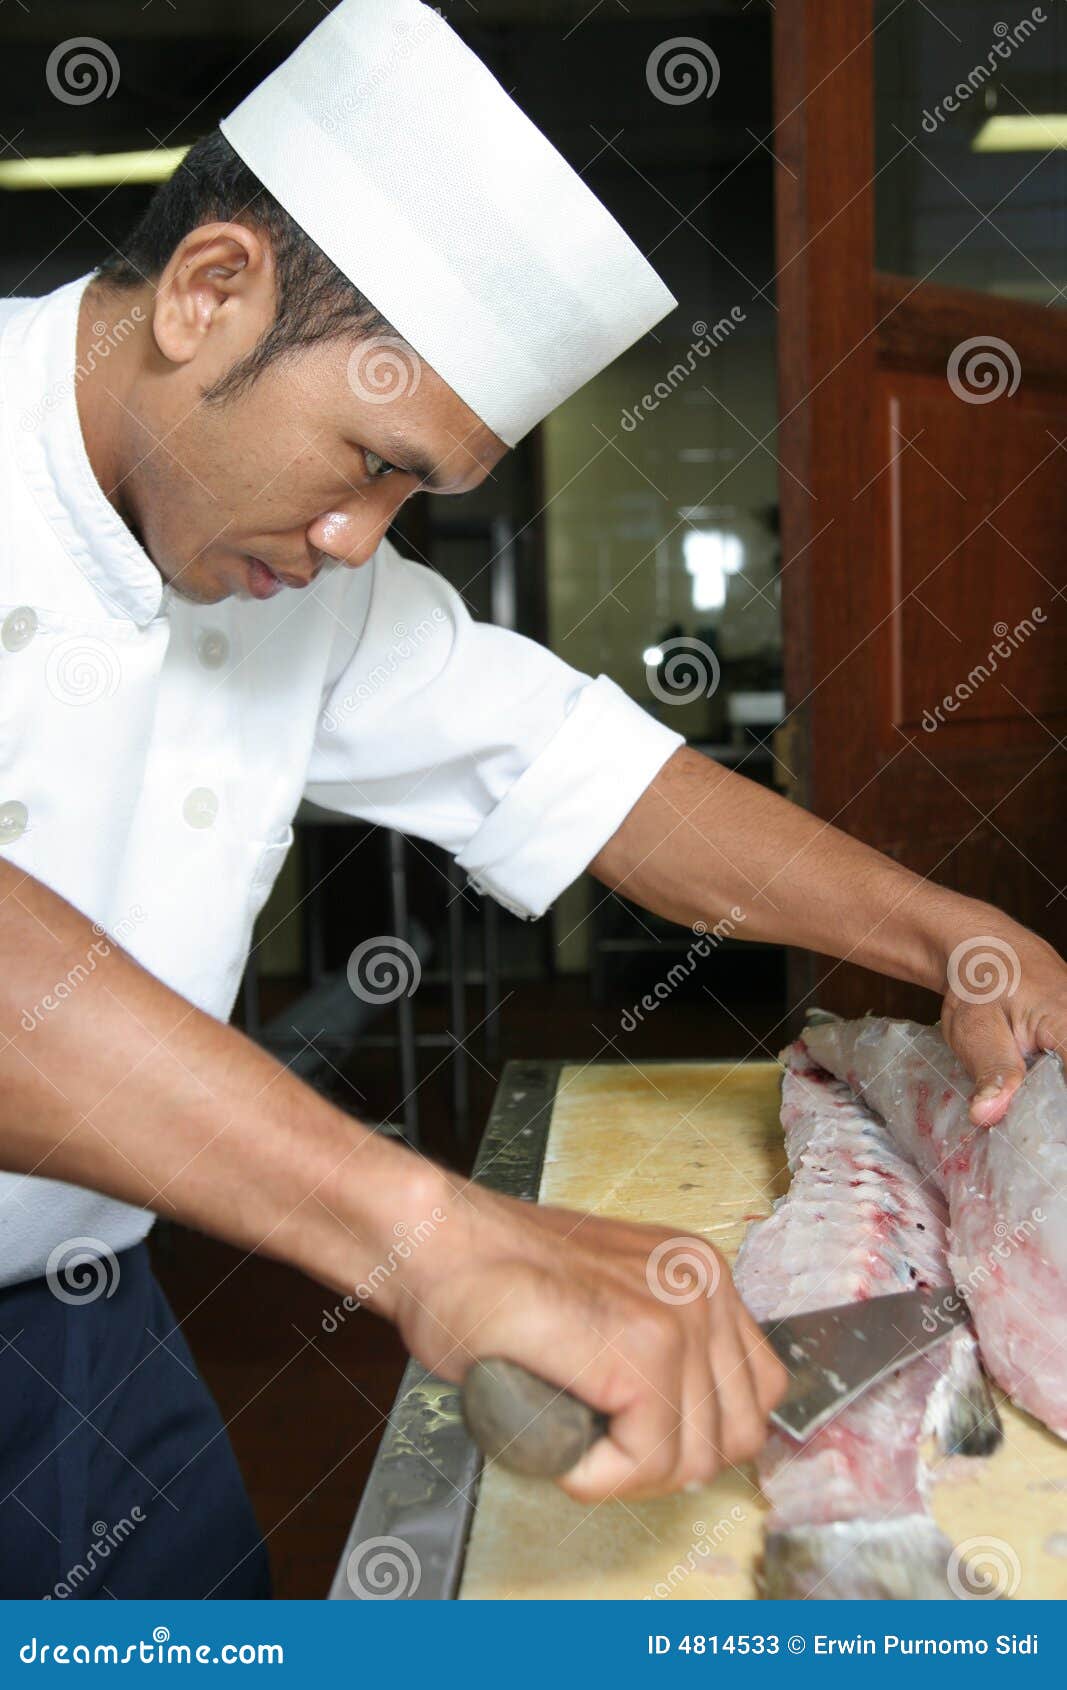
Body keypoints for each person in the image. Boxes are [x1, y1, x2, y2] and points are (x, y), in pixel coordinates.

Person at [2, 0, 1064, 1598]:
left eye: (410, 491)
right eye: (365, 459)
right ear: (210, 294)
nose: (364, 536)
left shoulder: (307, 580)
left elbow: (582, 771)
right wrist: (422, 1231)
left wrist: (949, 929)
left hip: (90, 1312)